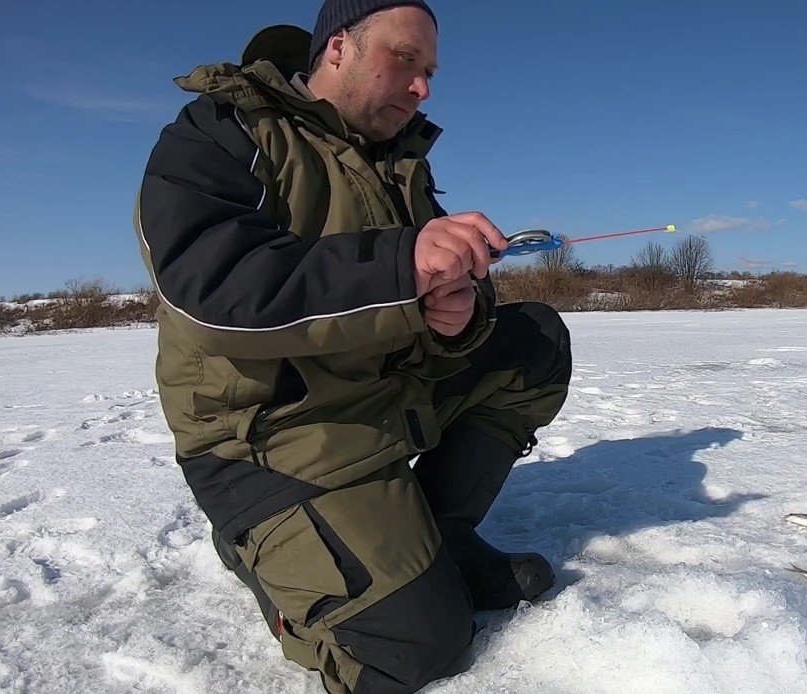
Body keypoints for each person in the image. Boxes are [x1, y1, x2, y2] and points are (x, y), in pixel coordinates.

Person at [132, 1, 572, 691]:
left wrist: (457, 314)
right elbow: (213, 285)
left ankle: (441, 534)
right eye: (406, 61)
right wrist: (402, 267)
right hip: (271, 438)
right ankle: (265, 556)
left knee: (535, 342)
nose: (423, 87)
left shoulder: (403, 167)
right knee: (415, 645)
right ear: (338, 48)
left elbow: (418, 299)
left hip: (377, 403)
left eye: (430, 71)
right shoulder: (224, 128)